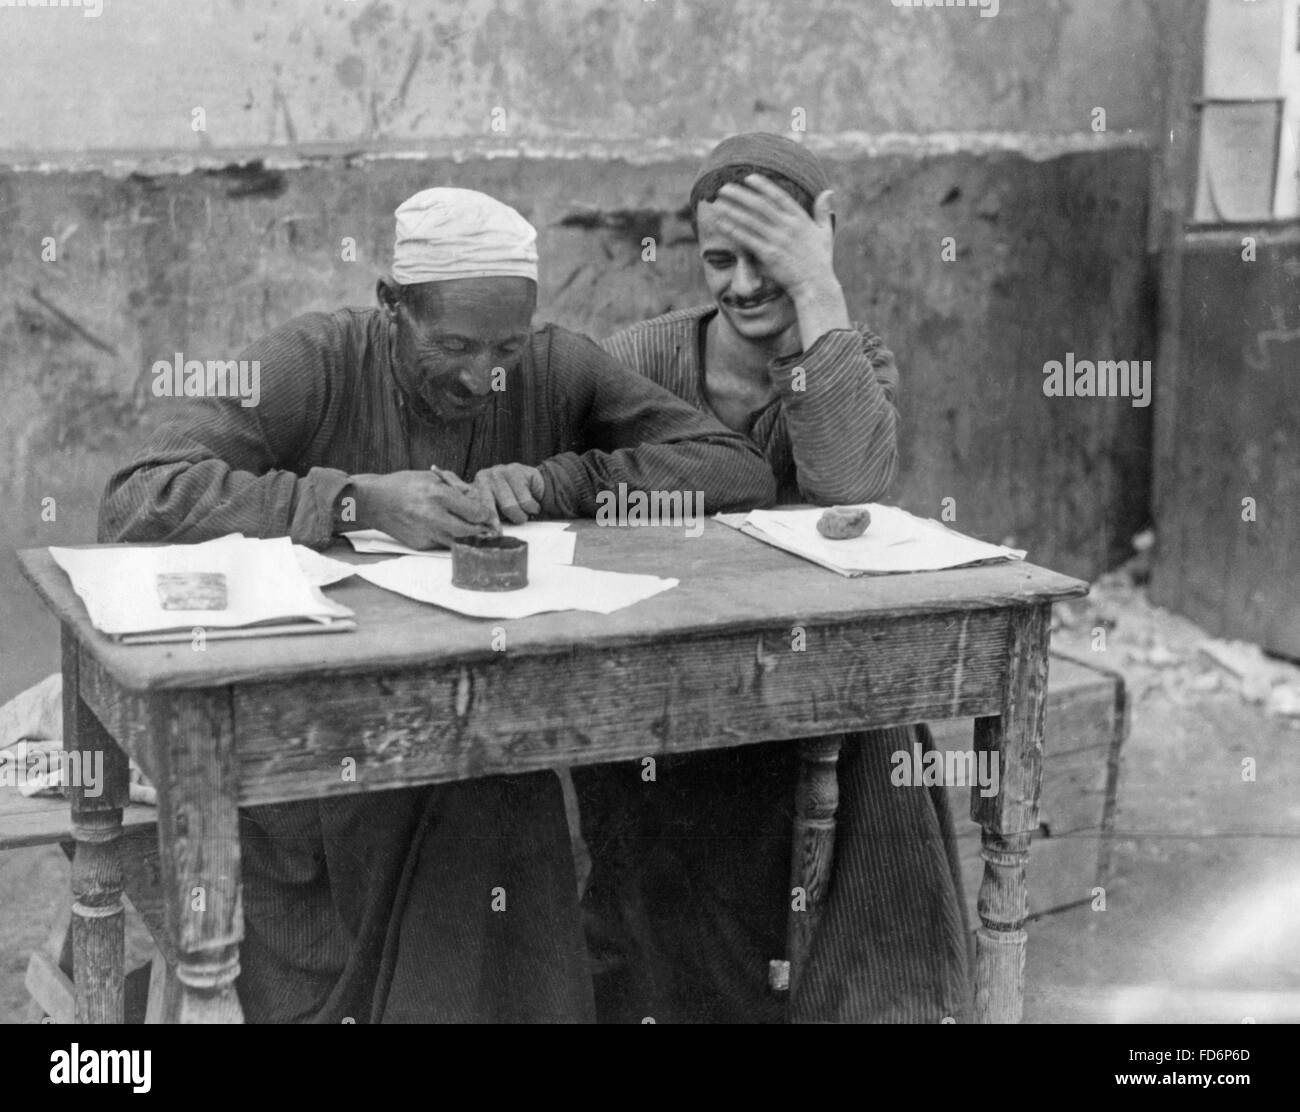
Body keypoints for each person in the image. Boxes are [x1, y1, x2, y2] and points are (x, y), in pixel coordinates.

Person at [99, 186, 776, 1023]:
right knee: (472, 801)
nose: (483, 375)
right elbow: (140, 498)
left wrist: (564, 479)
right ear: (391, 308)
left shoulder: (557, 366)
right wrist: (353, 501)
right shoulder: (314, 362)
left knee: (502, 793)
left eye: (506, 346)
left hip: (479, 734)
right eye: (452, 344)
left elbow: (734, 467)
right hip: (310, 759)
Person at [573, 134, 973, 1024]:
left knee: (876, 757)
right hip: (666, 678)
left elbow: (852, 485)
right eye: (721, 259)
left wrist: (817, 288)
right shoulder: (642, 359)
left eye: (771, 260)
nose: (746, 285)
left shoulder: (852, 365)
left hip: (810, 686)